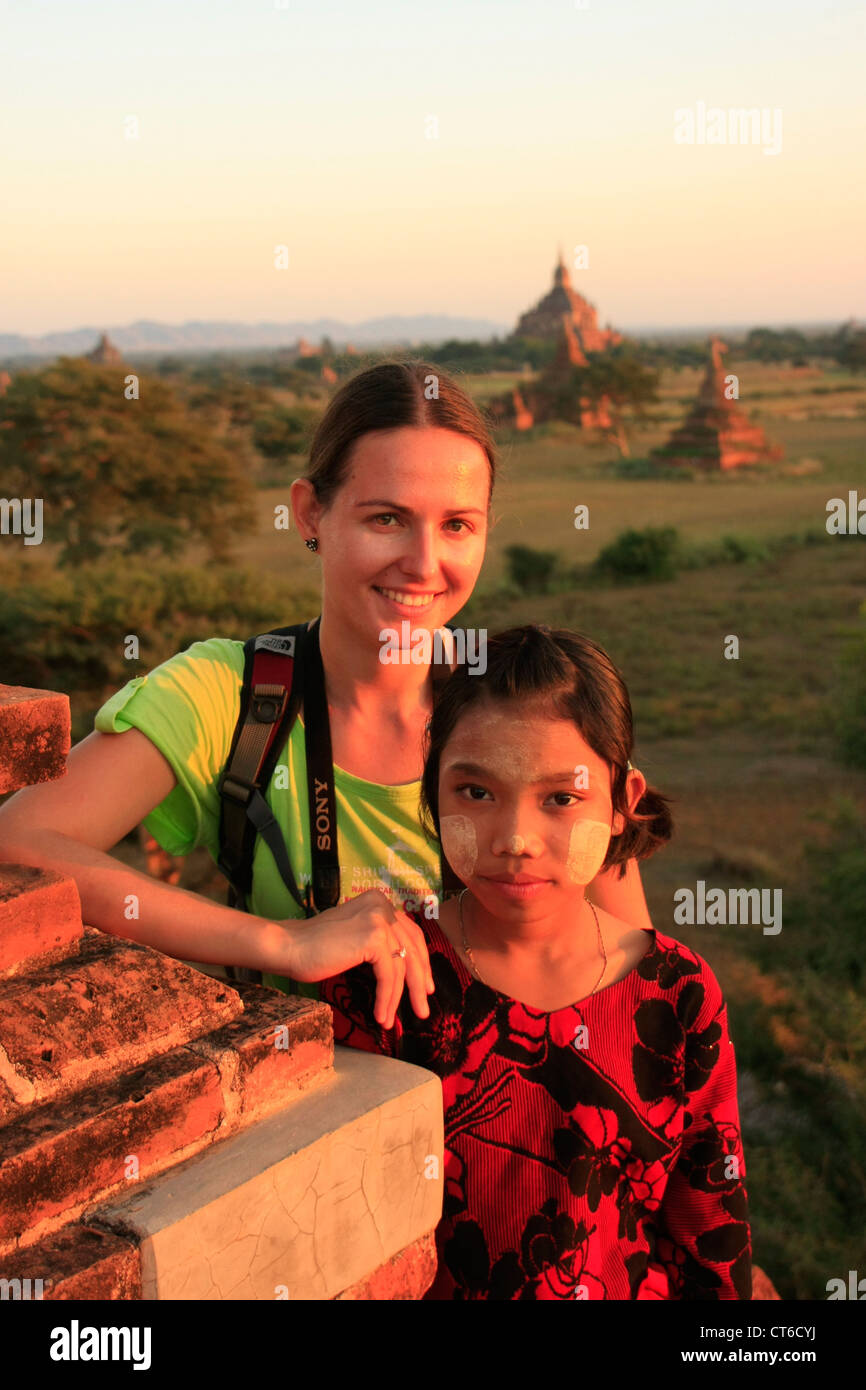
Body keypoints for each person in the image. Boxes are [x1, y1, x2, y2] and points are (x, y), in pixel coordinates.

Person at [0, 360, 655, 1030]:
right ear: (311, 512)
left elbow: (635, 985)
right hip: (318, 1116)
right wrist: (284, 944)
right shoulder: (236, 696)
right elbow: (19, 841)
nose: (424, 564)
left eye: (457, 525)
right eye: (388, 519)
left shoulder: (533, 703)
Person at [318, 624, 752, 1300]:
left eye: (561, 798)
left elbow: (708, 1230)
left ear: (622, 805)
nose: (515, 839)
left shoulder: (680, 996)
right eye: (476, 793)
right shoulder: (390, 983)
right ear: (432, 797)